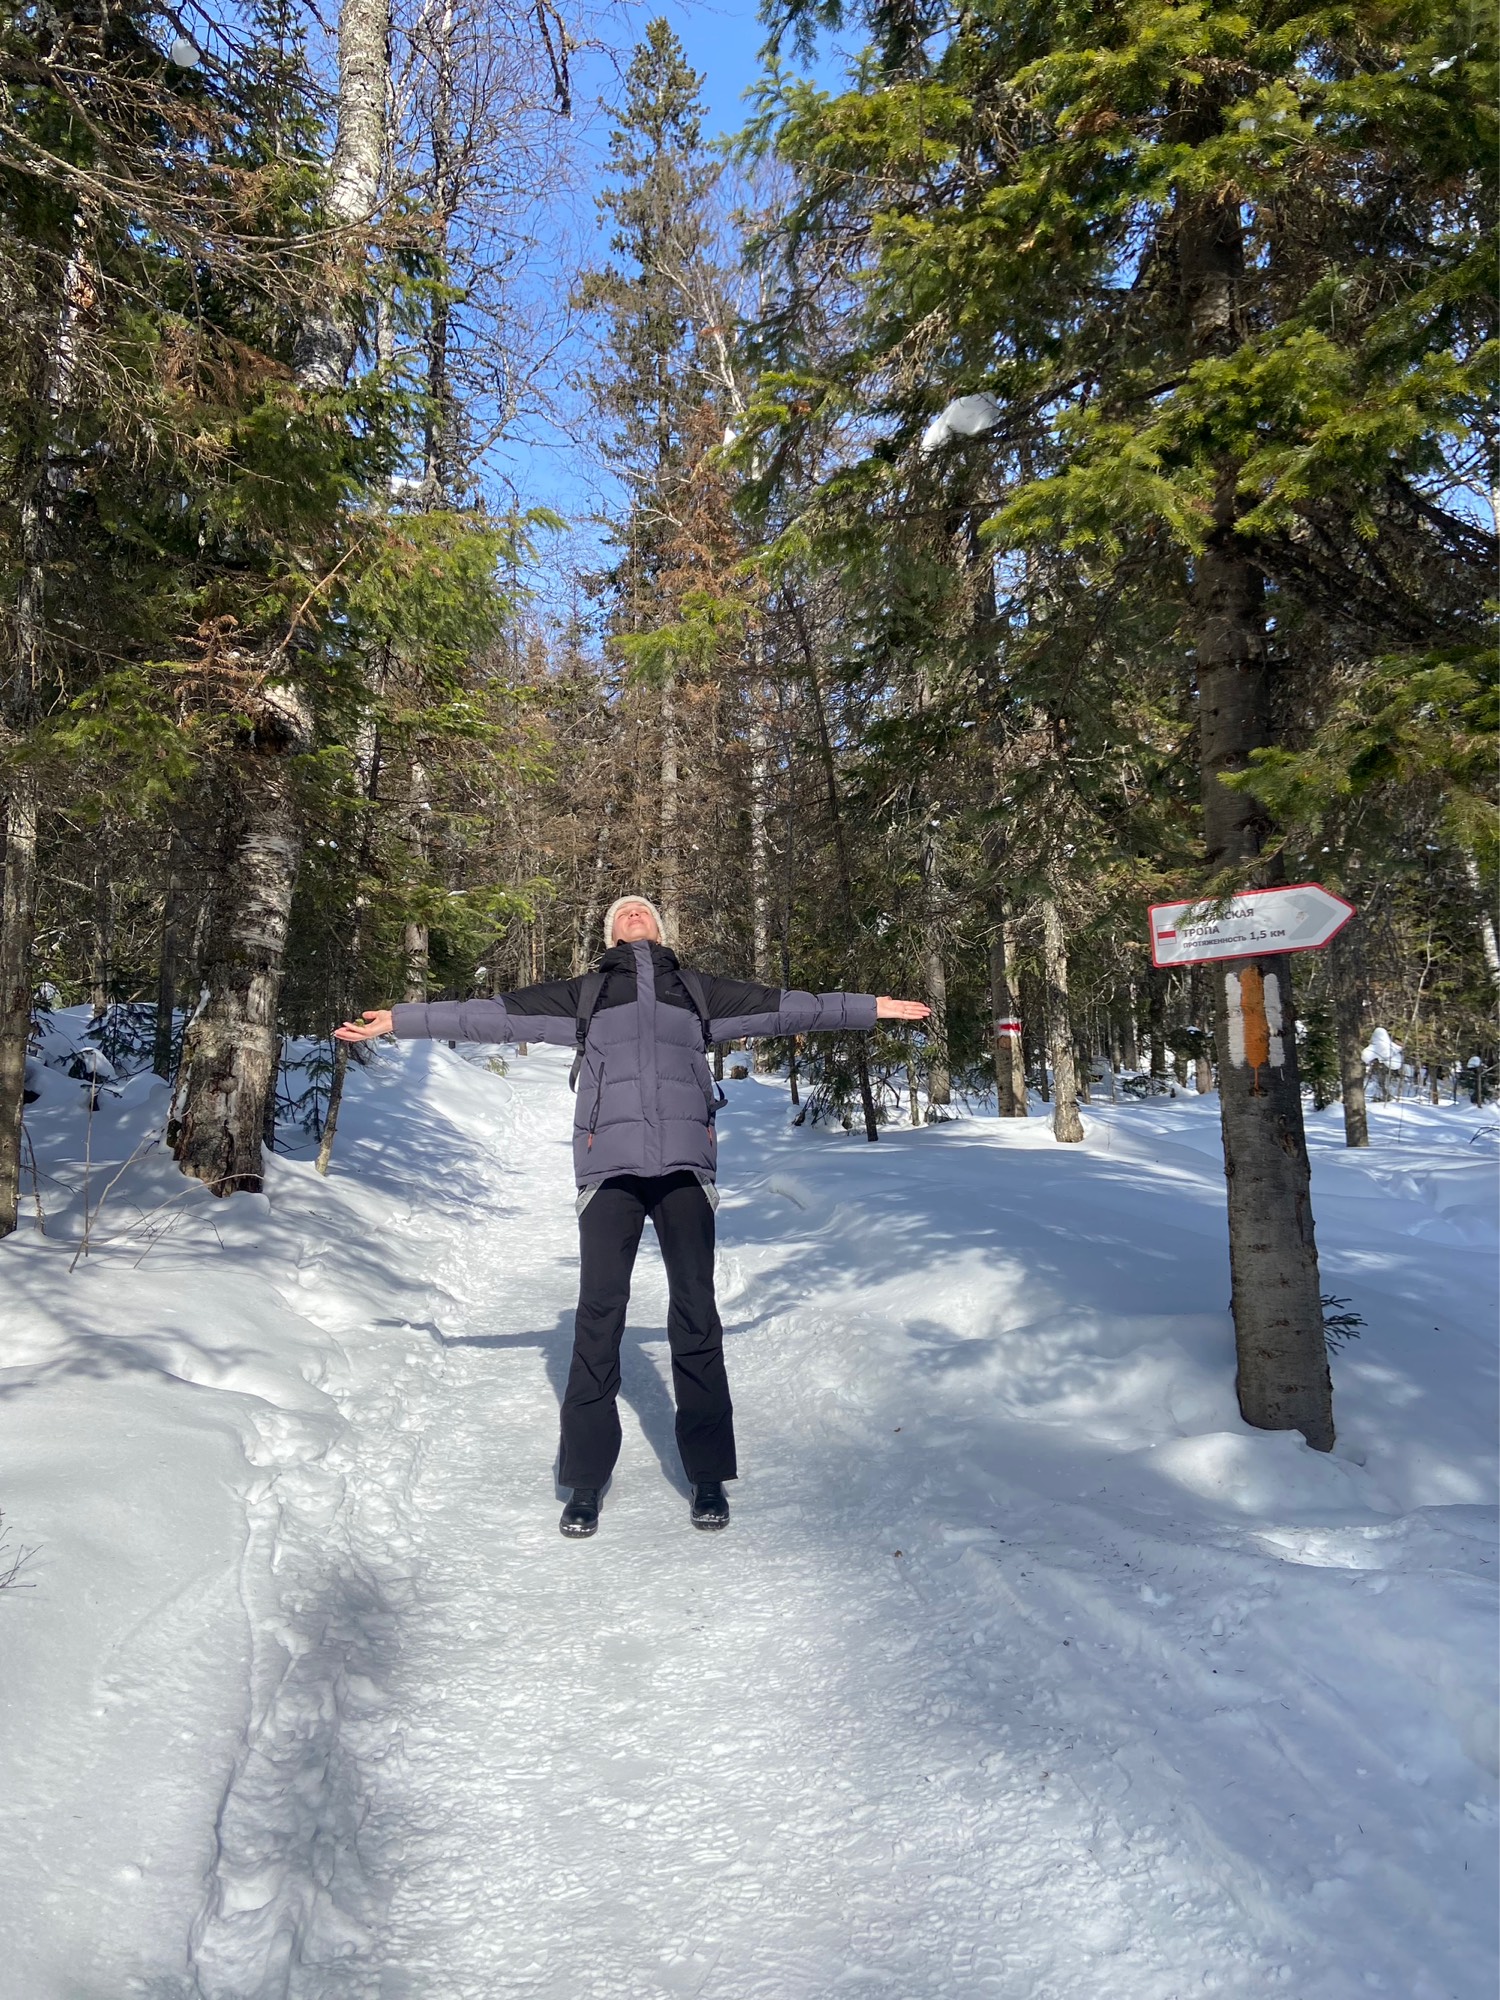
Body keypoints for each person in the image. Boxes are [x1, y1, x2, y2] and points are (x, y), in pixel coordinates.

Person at [336, 896, 929, 1538]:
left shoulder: (699, 992)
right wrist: (400, 1018)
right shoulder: (585, 995)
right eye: (623, 910)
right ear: (609, 931)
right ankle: (585, 1481)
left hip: (684, 1168)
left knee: (697, 1313)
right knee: (598, 1317)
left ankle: (707, 1475)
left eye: (644, 908)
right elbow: (490, 1017)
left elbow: (792, 1006)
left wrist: (871, 1008)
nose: (634, 913)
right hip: (608, 1171)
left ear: (662, 927)